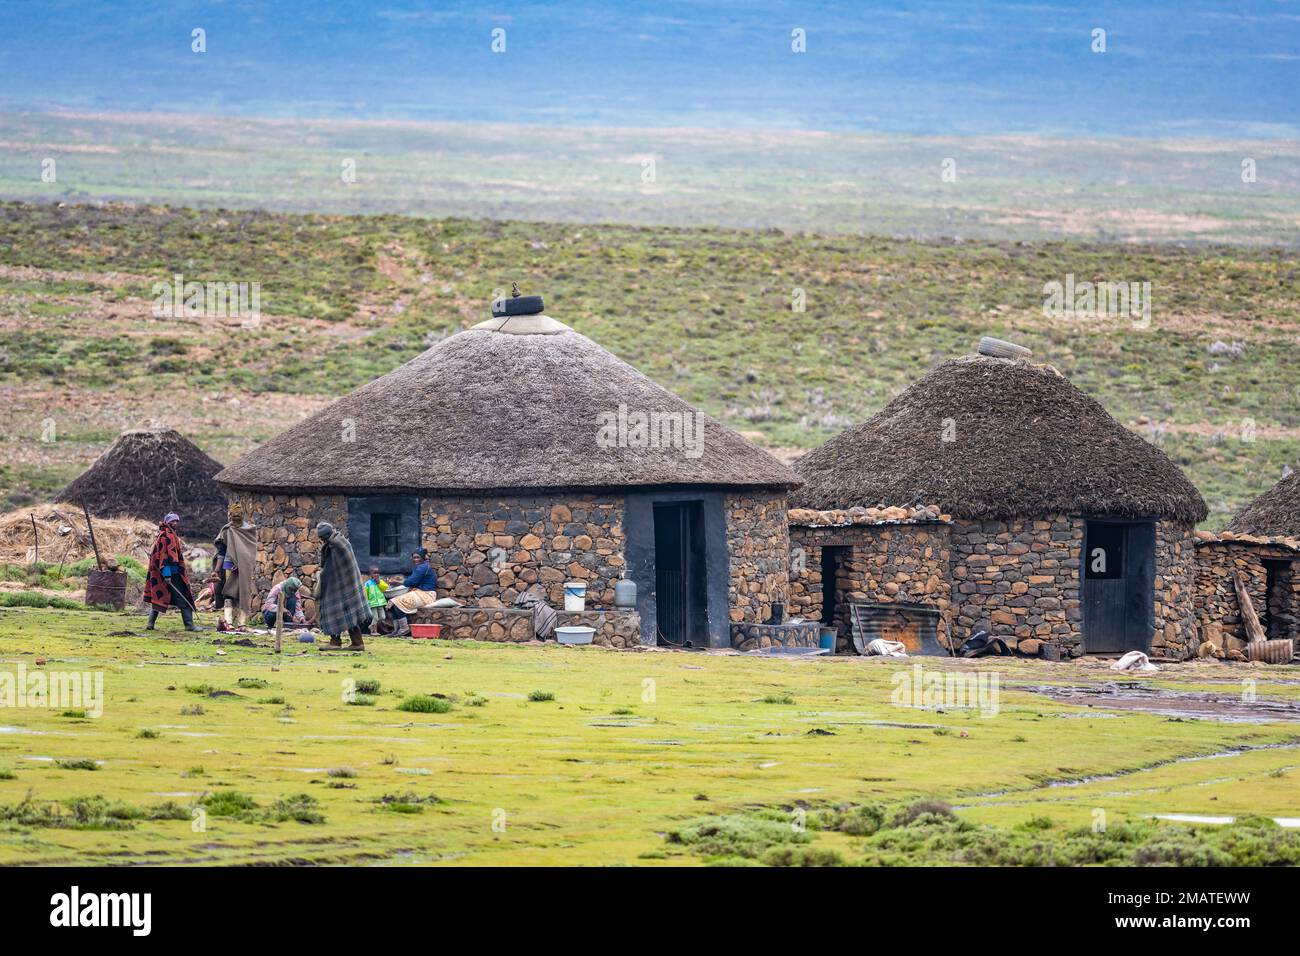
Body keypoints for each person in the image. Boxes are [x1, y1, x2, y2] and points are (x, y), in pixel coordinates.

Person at [314, 522, 371, 650]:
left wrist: (323, 577)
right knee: (348, 613)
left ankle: (336, 642)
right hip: (342, 584)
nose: (321, 540)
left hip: (342, 585)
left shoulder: (338, 545)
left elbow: (334, 567)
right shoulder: (337, 542)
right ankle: (357, 643)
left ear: (327, 535)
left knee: (335, 610)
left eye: (322, 537)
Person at [145, 513, 200, 632]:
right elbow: (164, 557)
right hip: (171, 574)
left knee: (159, 597)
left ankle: (150, 624)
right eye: (173, 521)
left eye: (176, 521)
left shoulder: (164, 534)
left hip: (163, 574)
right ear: (167, 522)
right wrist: (167, 574)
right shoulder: (167, 536)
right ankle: (189, 625)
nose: (175, 523)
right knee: (184, 597)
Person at [214, 503, 257, 630]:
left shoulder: (250, 531)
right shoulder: (227, 531)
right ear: (230, 517)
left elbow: (250, 552)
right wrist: (217, 570)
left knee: (243, 593)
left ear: (242, 516)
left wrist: (243, 564)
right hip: (229, 566)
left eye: (238, 516)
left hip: (245, 568)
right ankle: (229, 622)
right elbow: (221, 552)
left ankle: (242, 623)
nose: (236, 518)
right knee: (229, 593)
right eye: (234, 516)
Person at [386, 547, 439, 636]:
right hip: (420, 593)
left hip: (427, 595)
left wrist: (397, 582)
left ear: (423, 558)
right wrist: (401, 581)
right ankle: (396, 629)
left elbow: (411, 582)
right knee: (391, 604)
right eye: (414, 557)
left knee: (395, 602)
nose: (416, 559)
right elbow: (412, 580)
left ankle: (404, 628)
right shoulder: (420, 567)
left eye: (418, 557)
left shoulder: (423, 567)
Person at [363, 566, 390, 634]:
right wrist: (367, 602)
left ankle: (371, 626)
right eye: (374, 573)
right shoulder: (367, 583)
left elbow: (385, 588)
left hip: (380, 603)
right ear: (370, 574)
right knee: (375, 617)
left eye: (378, 573)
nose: (377, 574)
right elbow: (365, 593)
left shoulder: (380, 582)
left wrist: (379, 582)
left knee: (382, 617)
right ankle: (374, 631)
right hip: (372, 603)